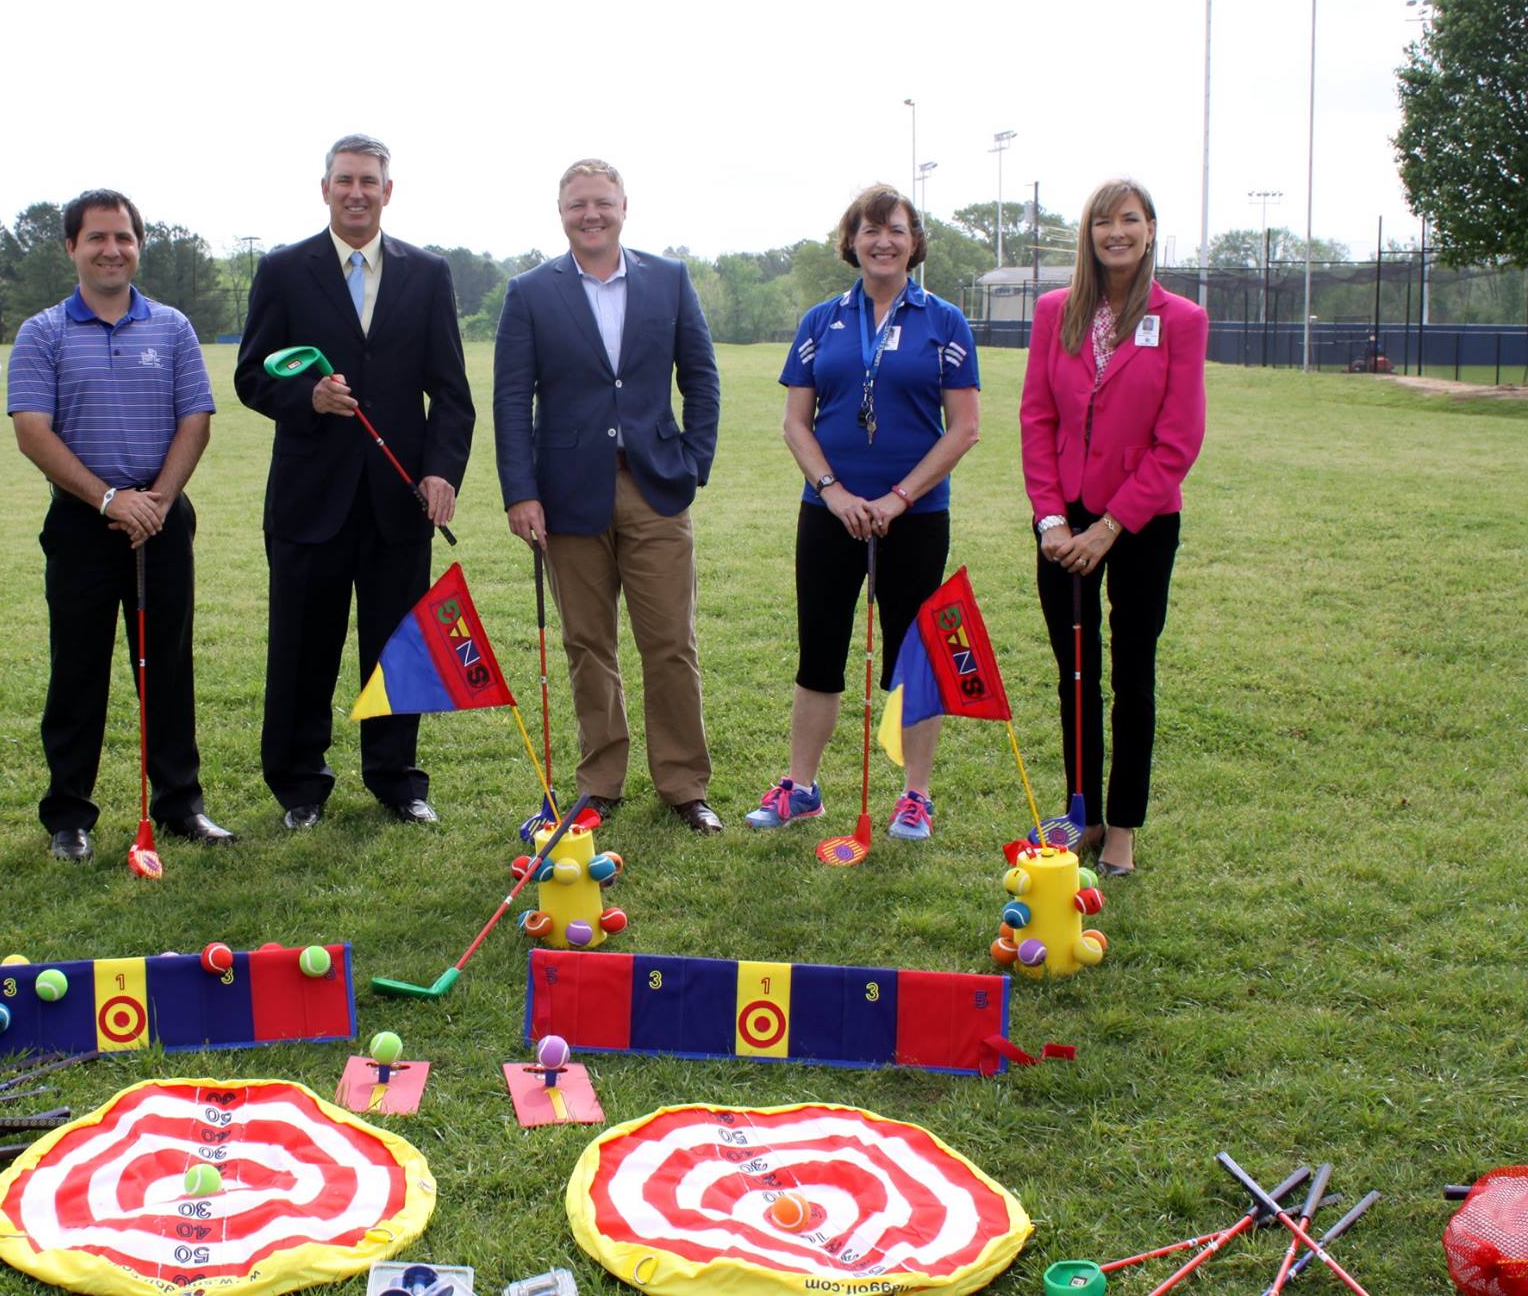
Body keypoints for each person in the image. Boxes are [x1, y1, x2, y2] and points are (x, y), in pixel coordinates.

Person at [235, 135, 475, 829]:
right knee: (302, 649)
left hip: (398, 502)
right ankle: (300, 786)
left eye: (369, 181)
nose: (357, 192)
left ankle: (398, 779)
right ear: (326, 189)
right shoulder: (284, 270)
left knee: (398, 648)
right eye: (345, 180)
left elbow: (451, 393)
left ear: (387, 192)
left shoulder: (427, 274)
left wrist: (440, 471)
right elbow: (251, 375)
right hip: (310, 502)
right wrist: (306, 400)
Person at [743, 184, 980, 840]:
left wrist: (898, 498)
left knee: (915, 657)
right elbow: (796, 422)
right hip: (829, 513)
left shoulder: (944, 321)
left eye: (896, 230)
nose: (883, 241)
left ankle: (915, 795)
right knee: (819, 649)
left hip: (916, 514)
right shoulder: (823, 321)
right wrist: (835, 492)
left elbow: (963, 428)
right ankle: (802, 787)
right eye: (870, 230)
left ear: (914, 242)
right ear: (851, 241)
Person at [493, 159, 723, 834]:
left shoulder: (670, 280)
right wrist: (520, 492)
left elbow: (702, 378)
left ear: (624, 204)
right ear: (559, 211)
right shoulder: (530, 292)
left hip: (655, 487)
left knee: (670, 641)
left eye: (602, 202)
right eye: (577, 205)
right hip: (565, 498)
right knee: (587, 643)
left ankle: (684, 782)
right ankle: (600, 780)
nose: (590, 214)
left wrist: (693, 463)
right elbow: (512, 401)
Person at [7, 189, 233, 863]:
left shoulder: (171, 327)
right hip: (83, 522)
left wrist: (157, 500)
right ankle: (69, 815)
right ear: (71, 247)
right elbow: (30, 431)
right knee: (77, 671)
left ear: (138, 245)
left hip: (161, 518)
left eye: (124, 237)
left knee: (167, 668)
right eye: (98, 237)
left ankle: (180, 803)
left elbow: (196, 418)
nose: (112, 249)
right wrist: (109, 499)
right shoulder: (42, 332)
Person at [1019, 178, 1206, 877]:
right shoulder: (1055, 312)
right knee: (1075, 677)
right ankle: (1083, 812)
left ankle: (1122, 823)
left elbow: (1177, 441)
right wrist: (1051, 519)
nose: (1116, 232)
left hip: (1140, 528)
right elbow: (1037, 418)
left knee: (1132, 674)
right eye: (1103, 221)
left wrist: (1111, 527)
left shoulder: (1180, 319)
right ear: (1088, 234)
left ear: (1151, 229)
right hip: (1061, 528)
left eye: (1129, 219)